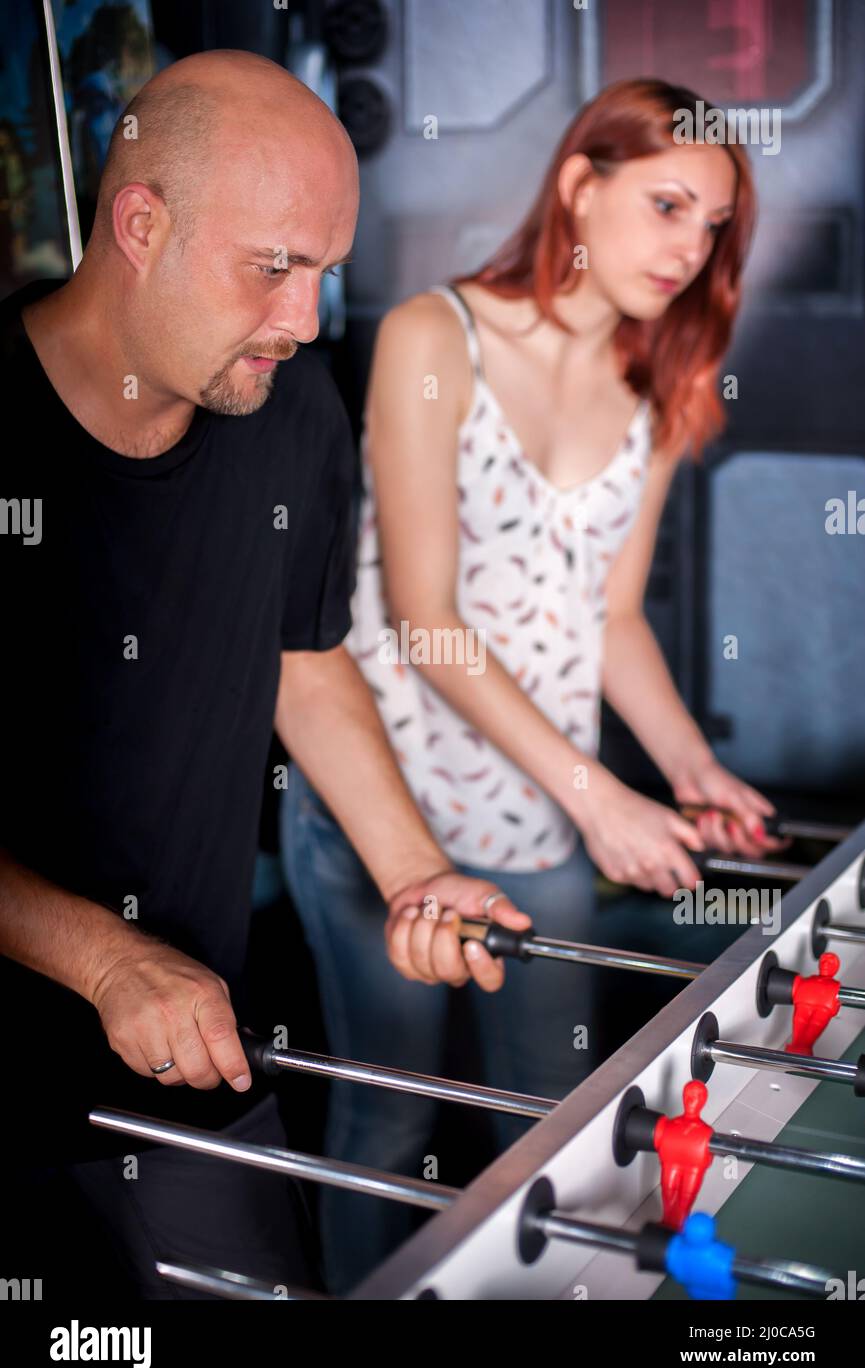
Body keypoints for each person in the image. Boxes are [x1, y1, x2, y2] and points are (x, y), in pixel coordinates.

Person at [0, 49, 532, 1301]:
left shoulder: (285, 416)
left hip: (198, 1075)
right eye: (272, 267)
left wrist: (412, 867)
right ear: (141, 224)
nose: (302, 320)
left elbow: (307, 659)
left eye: (324, 274)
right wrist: (103, 959)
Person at [281, 78, 789, 1293]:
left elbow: (610, 621)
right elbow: (425, 620)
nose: (691, 246)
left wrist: (684, 768)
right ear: (578, 184)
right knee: (390, 1128)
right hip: (379, 816)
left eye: (713, 224)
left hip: (535, 820)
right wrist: (604, 796)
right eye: (668, 204)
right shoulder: (429, 337)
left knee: (549, 1129)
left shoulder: (654, 382)